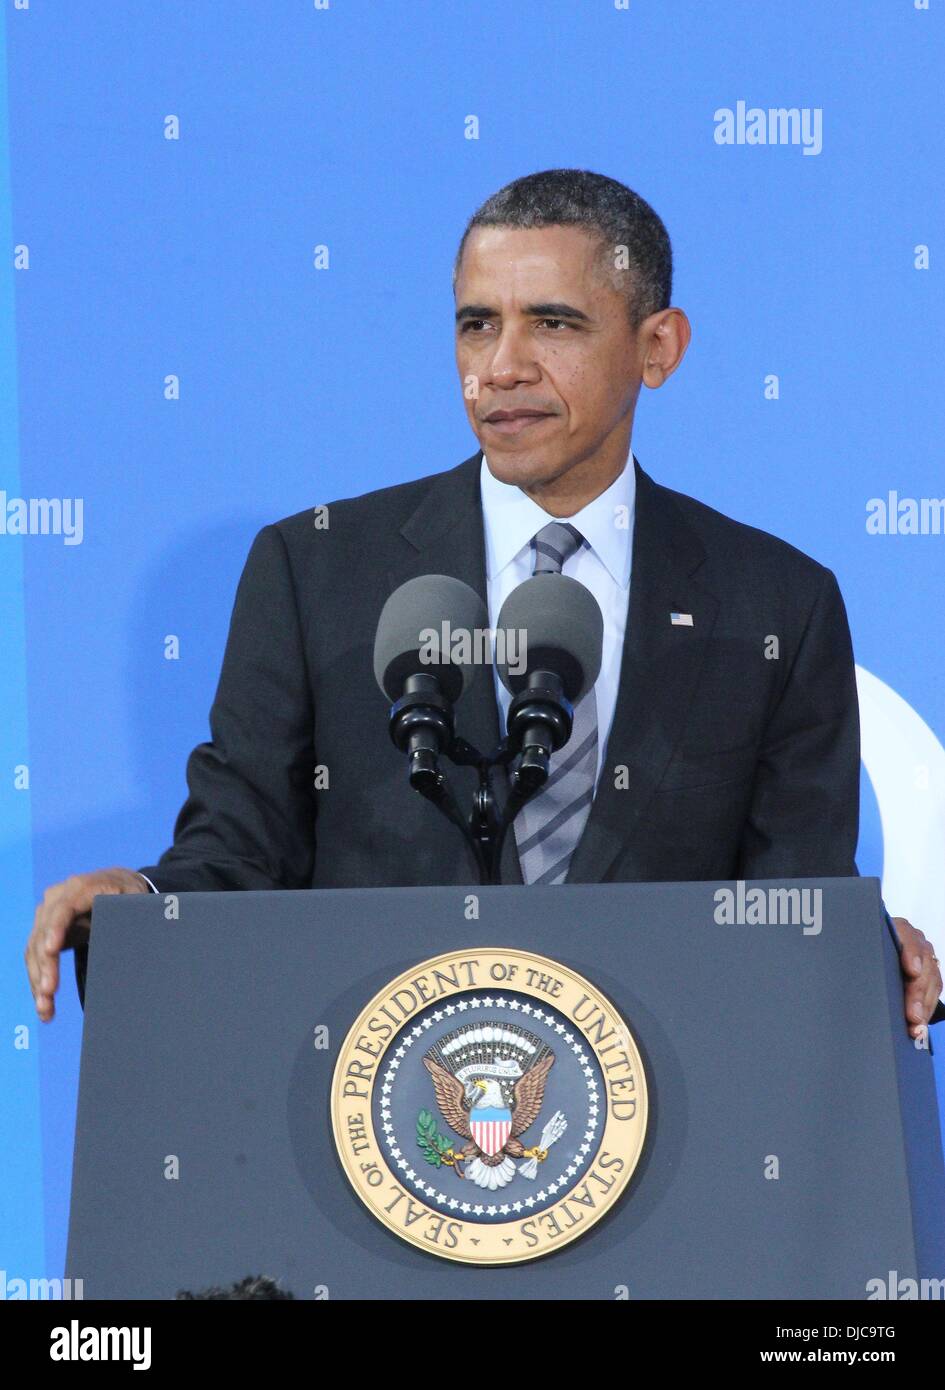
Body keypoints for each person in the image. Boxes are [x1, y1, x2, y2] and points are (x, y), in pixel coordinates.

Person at [24, 168, 942, 1034]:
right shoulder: (316, 572)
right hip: (368, 1127)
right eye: (475, 325)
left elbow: (791, 898)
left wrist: (854, 952)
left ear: (656, 346)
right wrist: (139, 907)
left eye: (552, 324)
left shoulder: (775, 604)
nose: (500, 367)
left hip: (668, 1139)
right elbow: (237, 852)